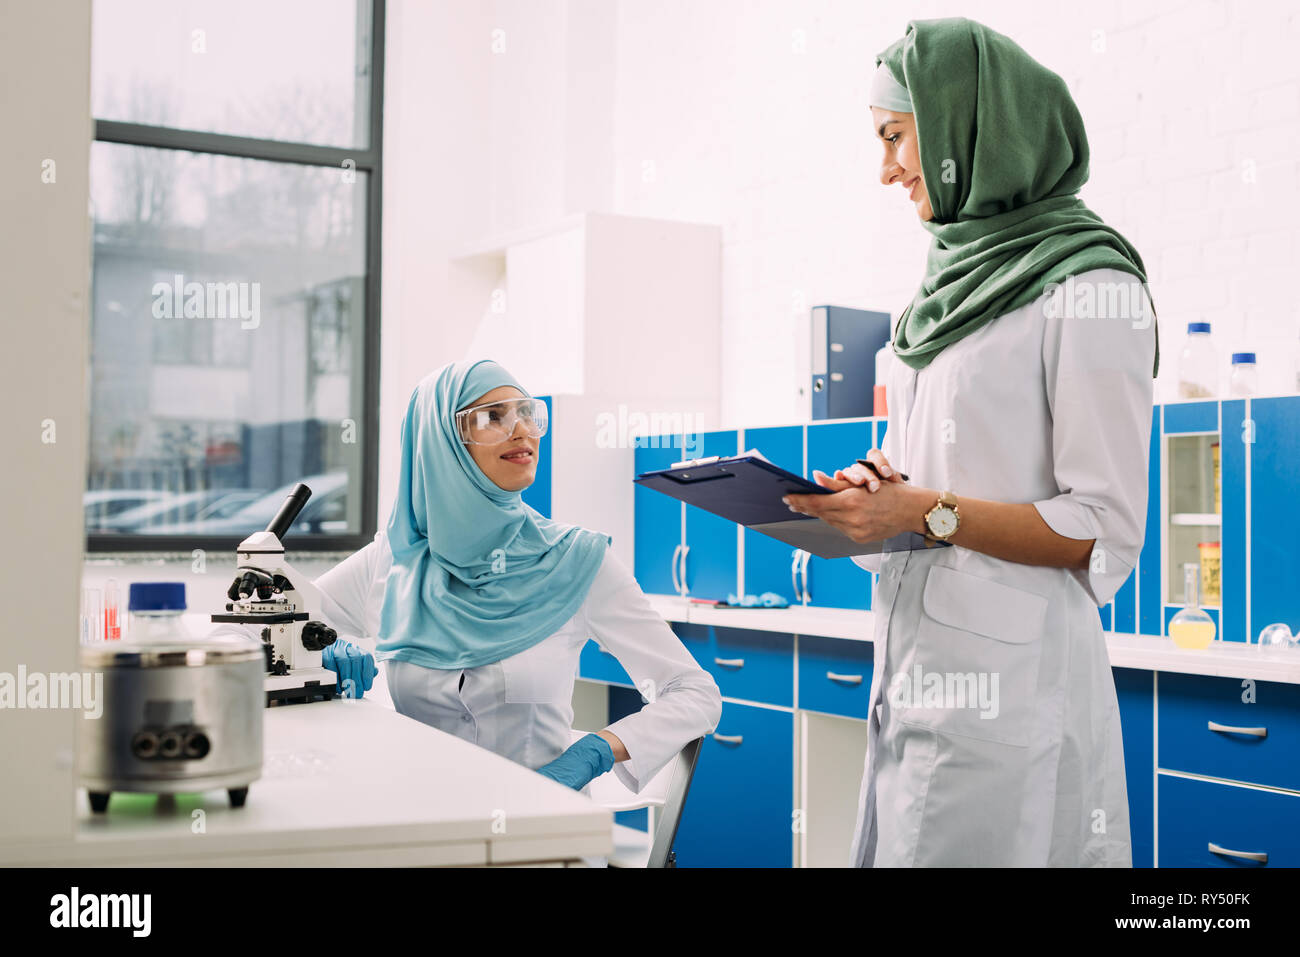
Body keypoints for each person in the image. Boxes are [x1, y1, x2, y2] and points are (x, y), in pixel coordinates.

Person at [784, 18, 1157, 866]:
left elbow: (1103, 525)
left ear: (963, 121)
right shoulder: (939, 295)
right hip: (915, 673)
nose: (885, 170)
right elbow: (924, 477)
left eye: (894, 138)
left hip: (1014, 701)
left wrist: (925, 510)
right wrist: (875, 494)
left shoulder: (1092, 284)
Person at [307, 359, 722, 795]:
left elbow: (695, 693)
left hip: (541, 833)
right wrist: (322, 646)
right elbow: (269, 630)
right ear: (440, 441)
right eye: (493, 417)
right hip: (420, 820)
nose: (522, 430)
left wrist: (596, 751)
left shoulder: (575, 560)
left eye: (527, 412)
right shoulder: (394, 558)